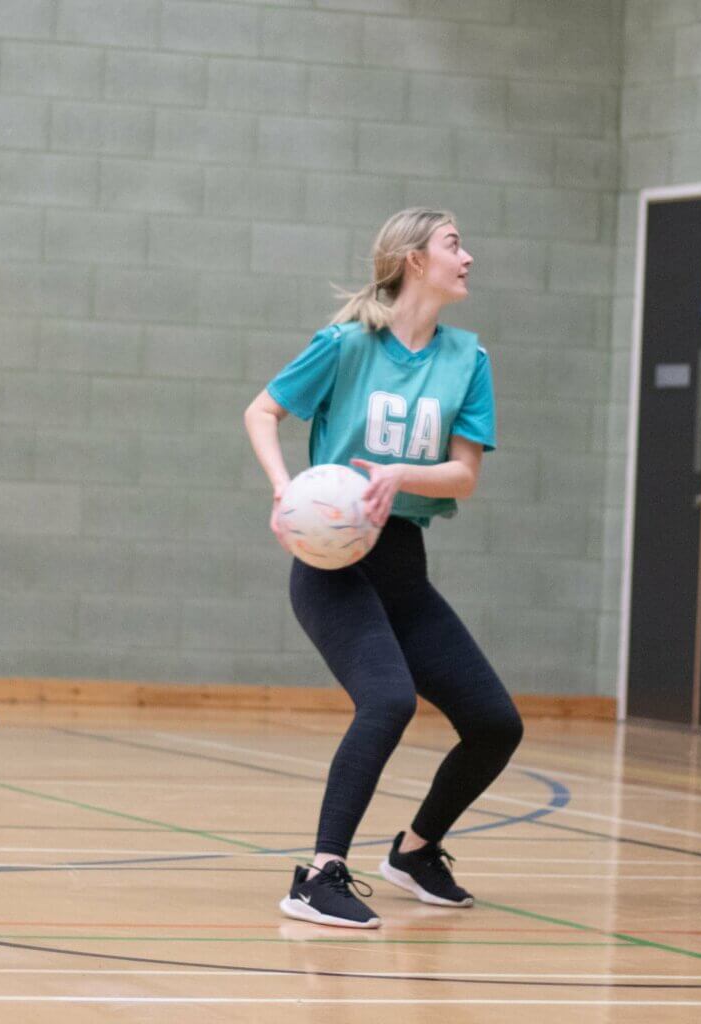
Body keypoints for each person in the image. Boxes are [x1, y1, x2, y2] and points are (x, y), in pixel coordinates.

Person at [243, 208, 522, 930]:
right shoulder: (345, 345)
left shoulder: (469, 359)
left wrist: (401, 473)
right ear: (413, 260)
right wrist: (285, 491)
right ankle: (318, 874)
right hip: (332, 564)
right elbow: (262, 413)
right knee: (388, 699)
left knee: (495, 723)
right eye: (455, 243)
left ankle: (416, 851)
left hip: (402, 566)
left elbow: (463, 475)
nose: (469, 256)